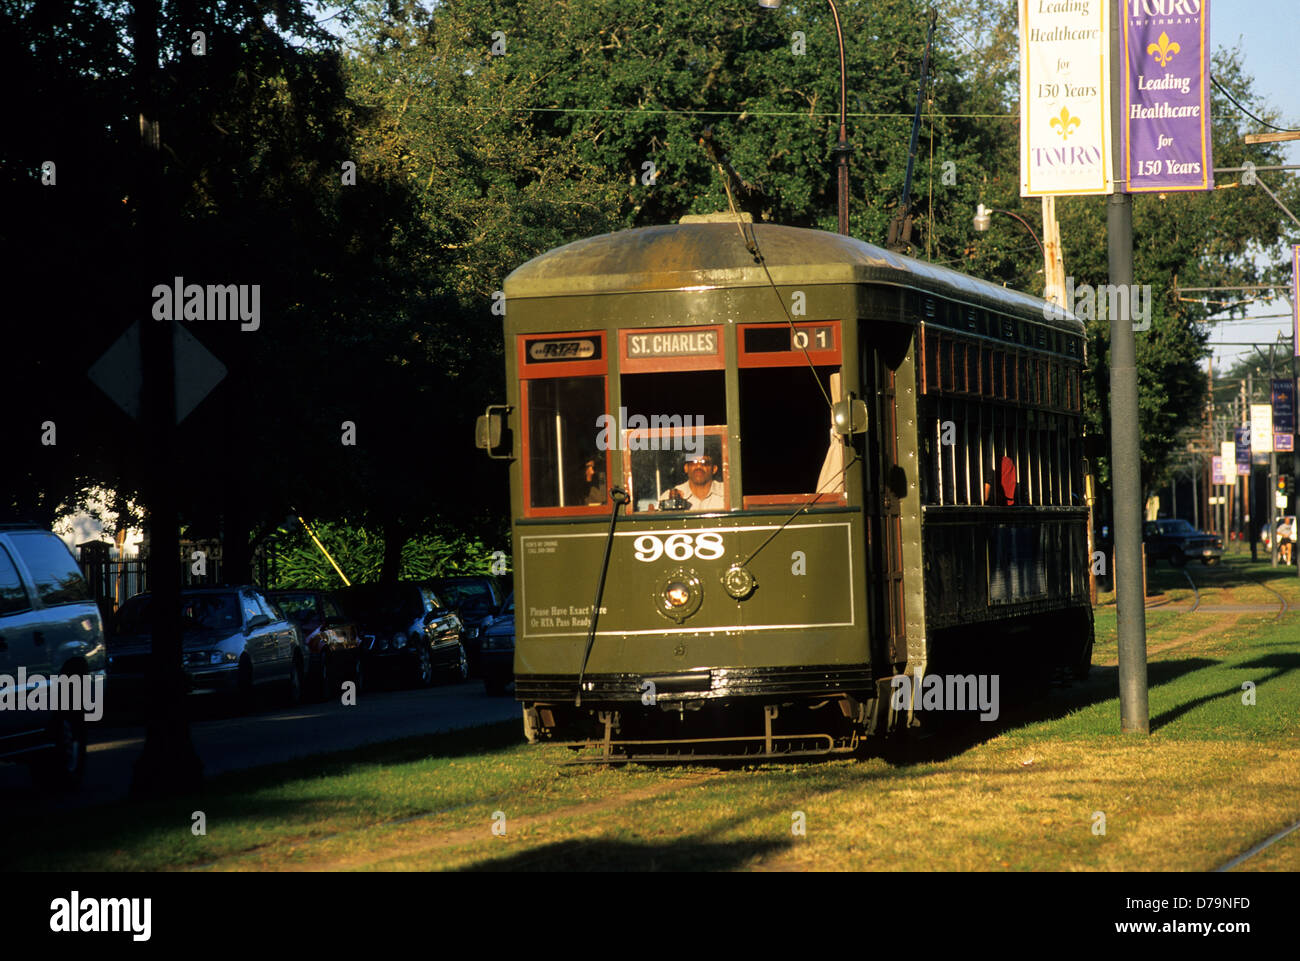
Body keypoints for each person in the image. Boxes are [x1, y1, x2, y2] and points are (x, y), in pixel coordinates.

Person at [658, 452, 725, 511]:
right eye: (693, 462)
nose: (698, 466)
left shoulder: (727, 493)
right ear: (686, 468)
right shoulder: (669, 496)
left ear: (714, 469)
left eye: (705, 463)